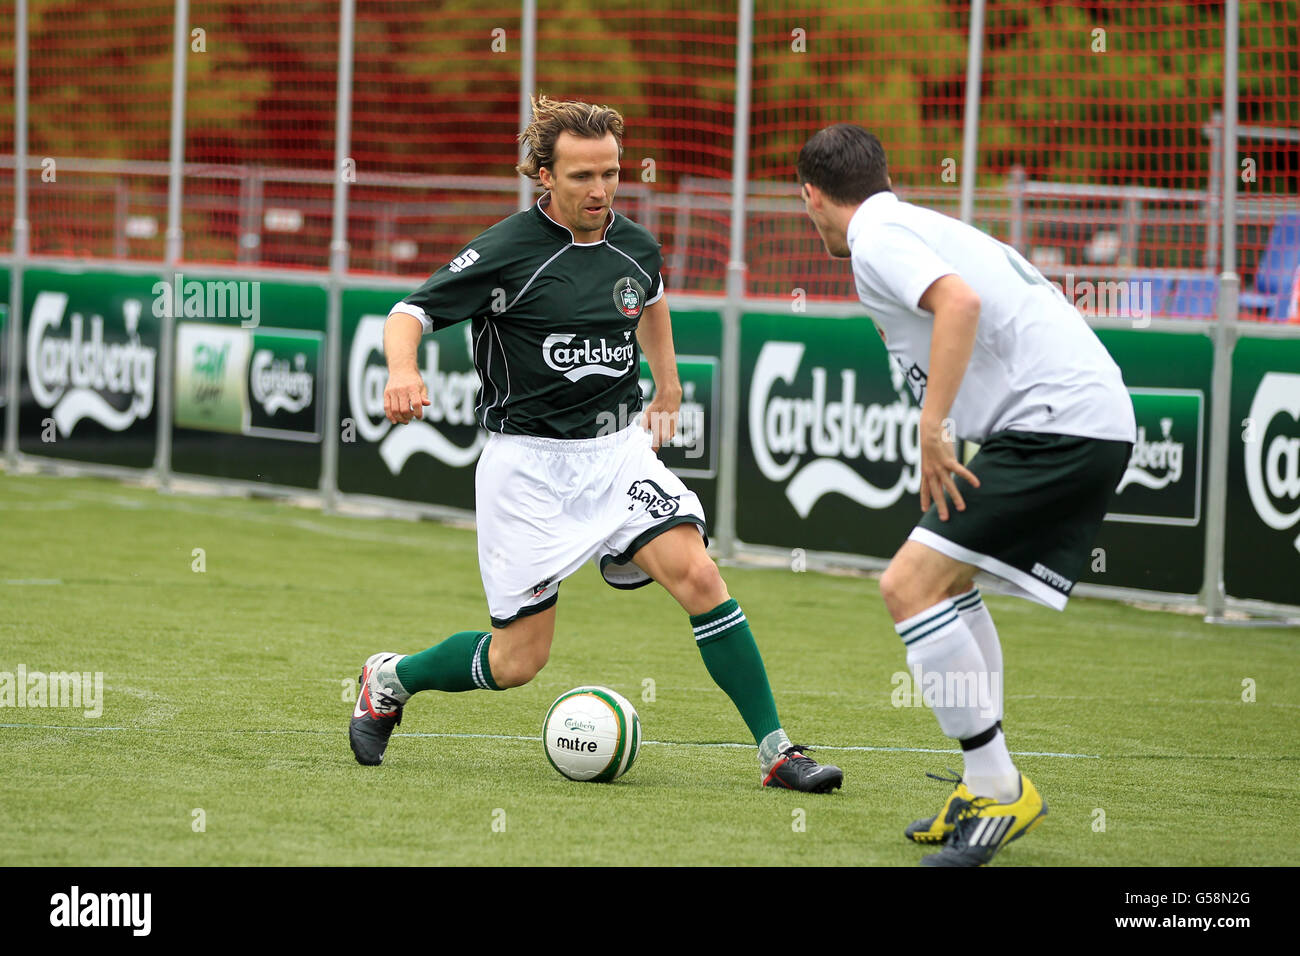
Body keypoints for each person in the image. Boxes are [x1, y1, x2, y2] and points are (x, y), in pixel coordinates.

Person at [349, 95, 842, 793]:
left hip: (615, 456)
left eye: (610, 172)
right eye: (582, 176)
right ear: (543, 176)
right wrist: (404, 369)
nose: (601, 190)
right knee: (519, 662)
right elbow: (408, 313)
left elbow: (653, 297)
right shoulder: (505, 251)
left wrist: (666, 385)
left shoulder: (634, 243)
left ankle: (777, 753)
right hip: (527, 468)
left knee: (700, 576)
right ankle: (391, 678)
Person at [797, 124, 1136, 865]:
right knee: (943, 585)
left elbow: (959, 304)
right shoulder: (906, 221)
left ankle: (999, 785)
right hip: (1071, 421)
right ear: (881, 175)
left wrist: (934, 424)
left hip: (1060, 427)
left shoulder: (879, 236)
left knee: (907, 585)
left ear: (811, 196)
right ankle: (985, 784)